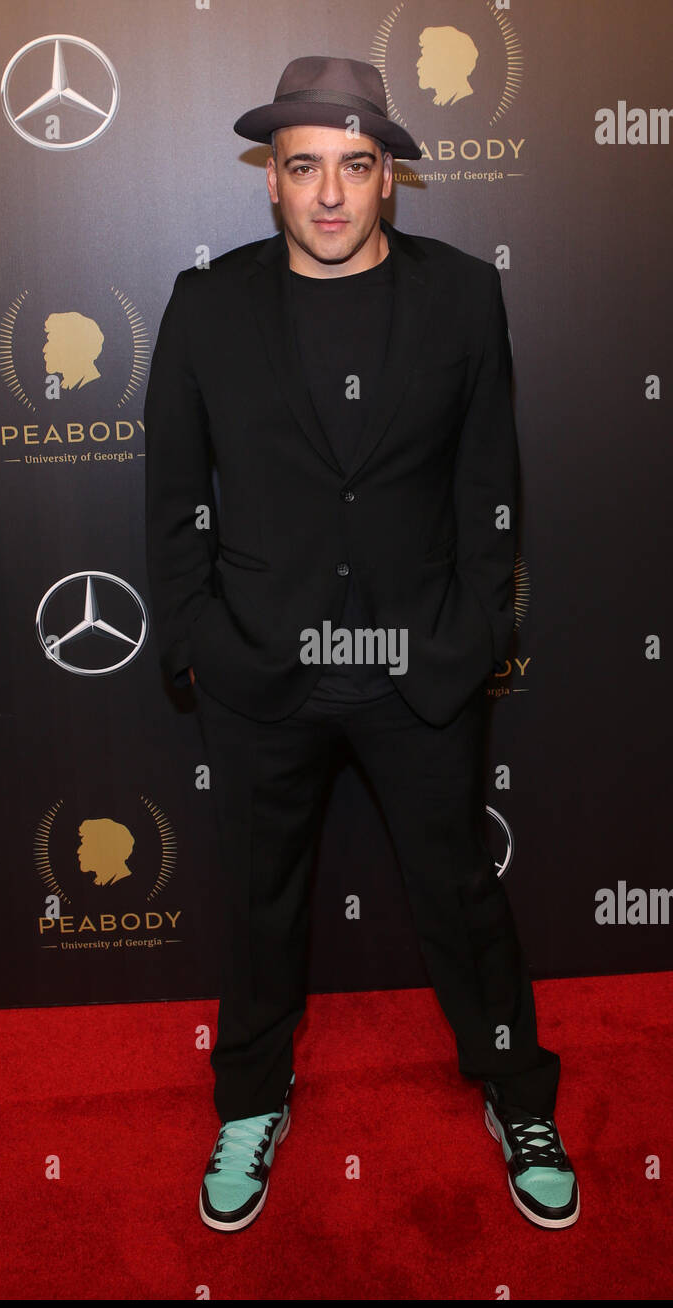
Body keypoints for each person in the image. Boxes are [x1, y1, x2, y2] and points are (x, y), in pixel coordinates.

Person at [144, 55, 579, 1233]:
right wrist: (193, 637)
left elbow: (491, 480)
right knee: (257, 902)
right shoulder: (205, 305)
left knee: (459, 898)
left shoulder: (460, 296)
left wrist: (480, 622)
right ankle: (249, 1098)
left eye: (354, 167)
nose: (329, 195)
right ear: (269, 180)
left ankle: (514, 1088)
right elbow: (176, 494)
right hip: (257, 670)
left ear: (389, 179)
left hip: (418, 666)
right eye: (303, 169)